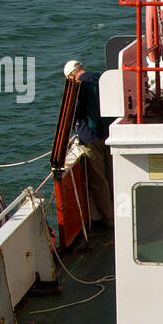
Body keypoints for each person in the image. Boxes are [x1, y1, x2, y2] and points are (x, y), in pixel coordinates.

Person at [63, 60, 114, 223]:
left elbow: (73, 112)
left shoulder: (78, 87)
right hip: (108, 132)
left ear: (71, 76)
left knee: (99, 180)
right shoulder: (100, 78)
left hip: (90, 137)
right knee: (112, 174)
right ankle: (122, 208)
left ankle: (110, 217)